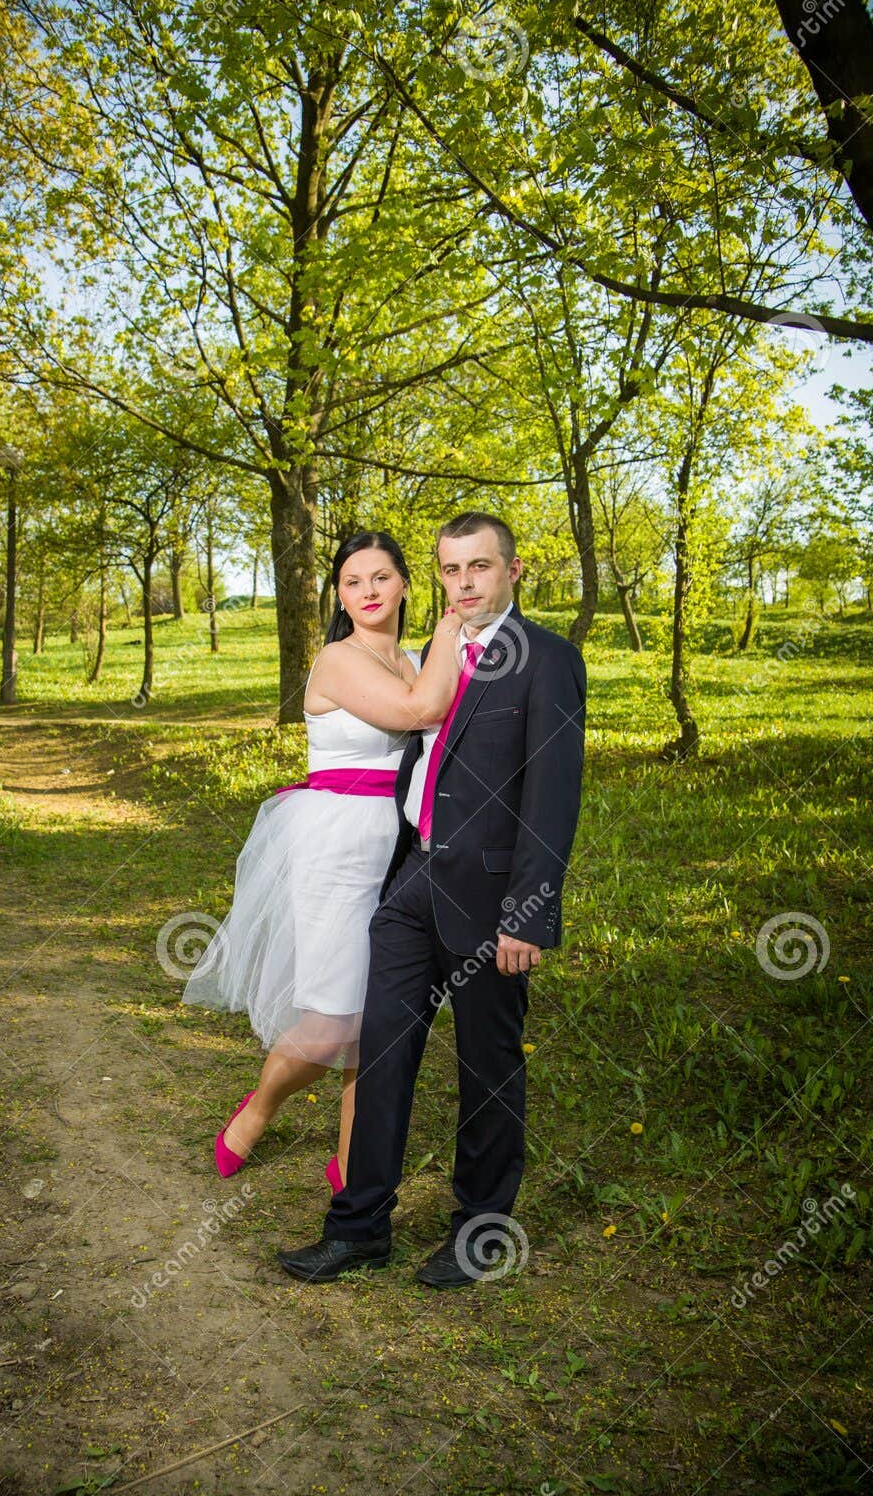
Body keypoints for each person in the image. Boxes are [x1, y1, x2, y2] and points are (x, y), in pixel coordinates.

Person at [277, 510, 587, 1288]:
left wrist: (528, 911)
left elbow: (552, 797)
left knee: (486, 1069)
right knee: (381, 1057)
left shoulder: (546, 660)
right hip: (410, 880)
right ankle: (358, 1228)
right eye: (451, 569)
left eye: (479, 567)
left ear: (512, 571)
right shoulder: (431, 659)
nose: (465, 582)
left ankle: (479, 1233)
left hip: (487, 897)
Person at [181, 530, 463, 1191]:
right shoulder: (336, 659)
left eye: (380, 578)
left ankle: (353, 1166)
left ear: (402, 585)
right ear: (338, 594)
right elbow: (422, 709)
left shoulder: (417, 656)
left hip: (402, 844)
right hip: (336, 844)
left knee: (382, 1016)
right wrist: (456, 622)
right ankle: (259, 1108)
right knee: (328, 1023)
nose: (366, 592)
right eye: (352, 582)